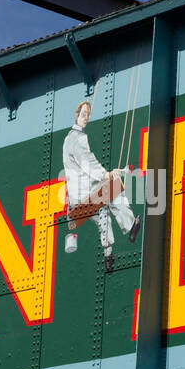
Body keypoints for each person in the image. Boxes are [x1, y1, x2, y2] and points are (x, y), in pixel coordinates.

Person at [62, 100, 140, 273]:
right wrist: (107, 174)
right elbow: (88, 162)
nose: (86, 118)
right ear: (76, 116)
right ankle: (130, 225)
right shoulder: (78, 138)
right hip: (82, 198)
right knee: (113, 189)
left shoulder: (68, 139)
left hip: (75, 206)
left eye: (88, 115)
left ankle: (108, 255)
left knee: (103, 213)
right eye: (83, 114)